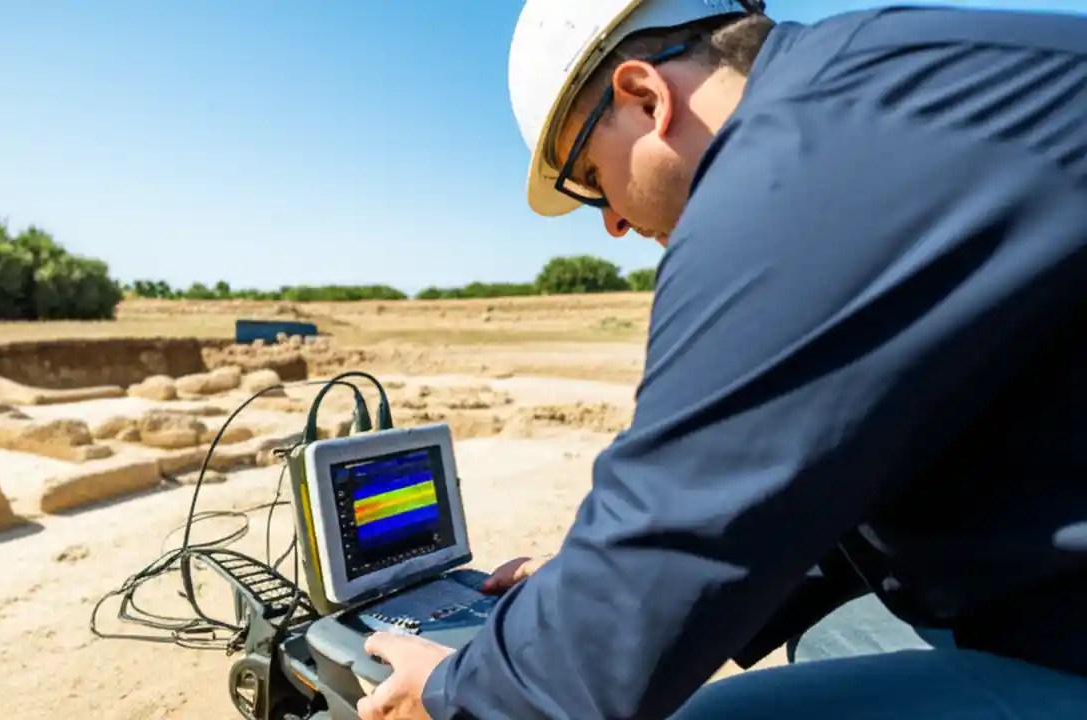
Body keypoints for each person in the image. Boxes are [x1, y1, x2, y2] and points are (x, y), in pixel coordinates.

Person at [357, 0, 1087, 717]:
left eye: (586, 181)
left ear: (643, 97)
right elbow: (810, 462)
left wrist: (456, 691)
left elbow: (673, 525)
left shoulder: (789, 172)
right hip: (1046, 602)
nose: (612, 220)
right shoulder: (886, 84)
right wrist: (586, 581)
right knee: (834, 631)